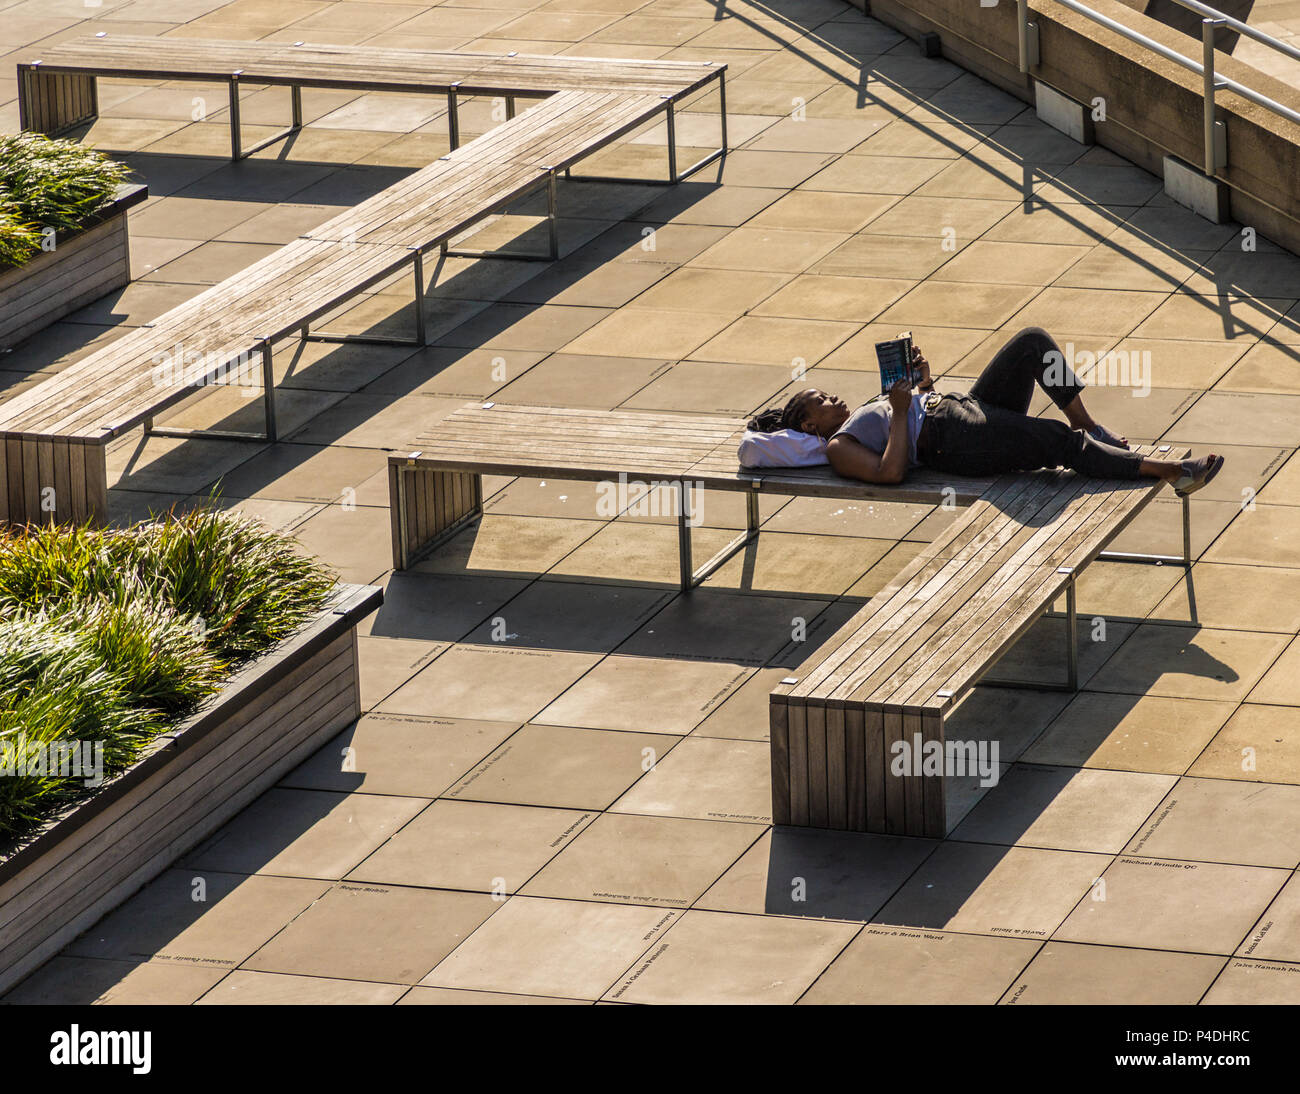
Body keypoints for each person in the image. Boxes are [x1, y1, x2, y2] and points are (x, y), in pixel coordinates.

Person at [745, 327, 1223, 495]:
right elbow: (892, 472)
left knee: (1033, 344)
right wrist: (898, 408)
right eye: (822, 402)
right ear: (810, 424)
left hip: (962, 409)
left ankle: (1088, 422)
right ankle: (1172, 471)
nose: (833, 399)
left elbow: (911, 414)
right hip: (952, 440)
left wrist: (924, 383)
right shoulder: (838, 448)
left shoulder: (852, 423)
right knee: (1056, 441)